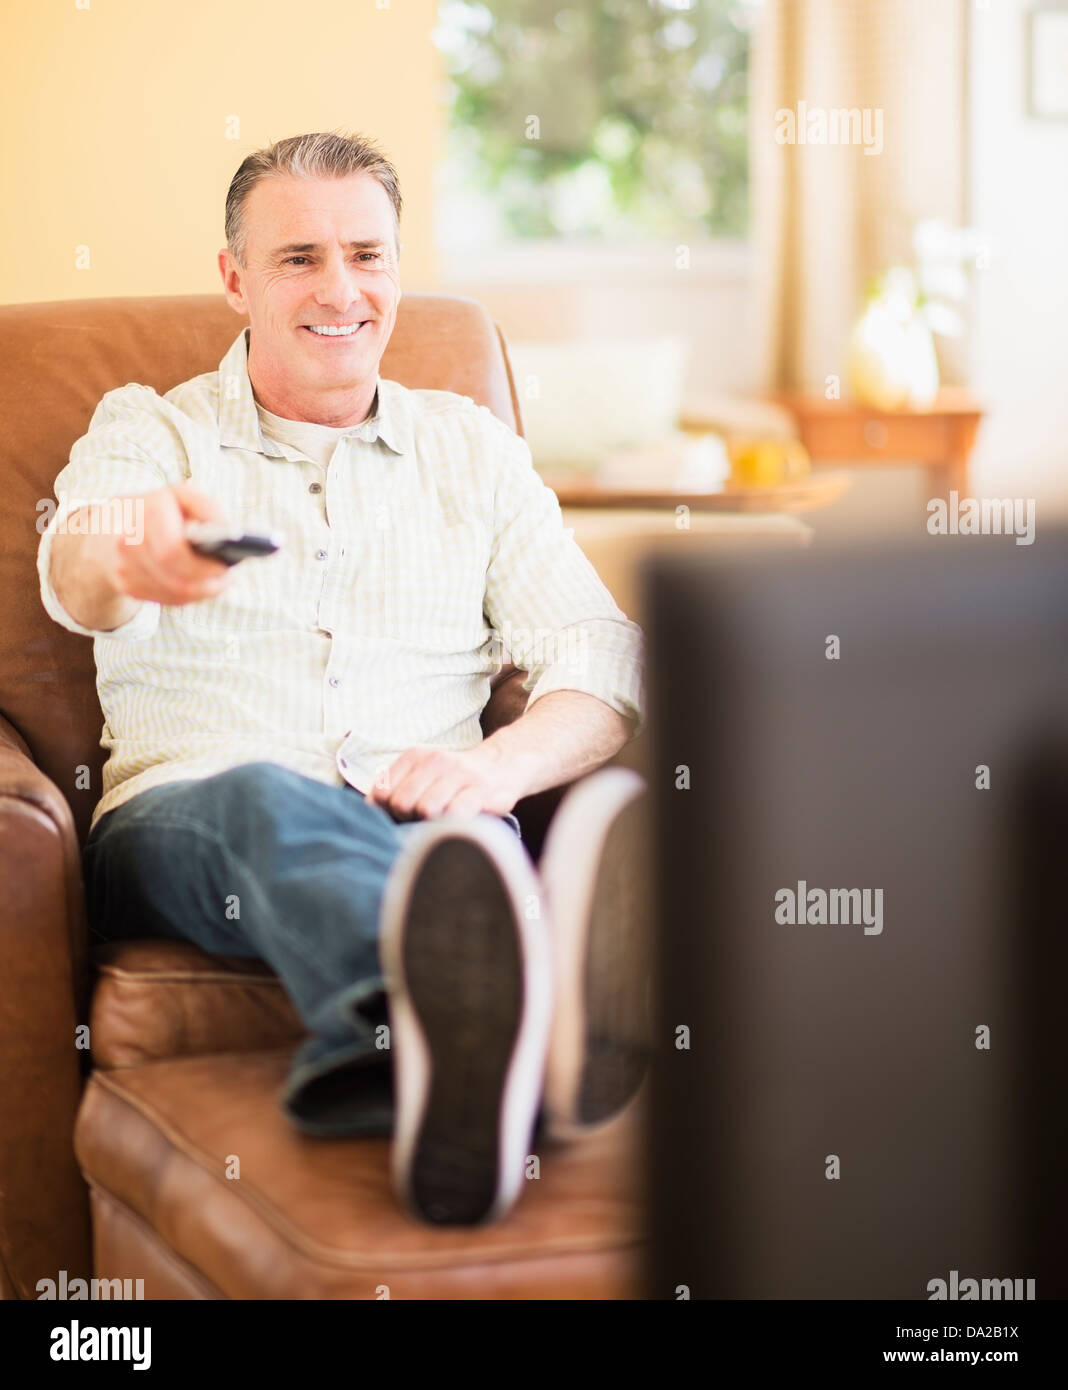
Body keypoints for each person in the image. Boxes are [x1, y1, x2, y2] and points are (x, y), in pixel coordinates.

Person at [36, 130, 649, 1227]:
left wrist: (496, 769)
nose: (341, 289)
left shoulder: (471, 451)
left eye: (367, 255)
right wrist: (134, 552)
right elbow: (75, 563)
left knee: (469, 848)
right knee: (268, 802)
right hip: (196, 821)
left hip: (429, 825)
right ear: (235, 279)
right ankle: (527, 1002)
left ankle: (428, 1065)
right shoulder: (154, 429)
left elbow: (599, 650)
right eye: (299, 258)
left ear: (397, 269)